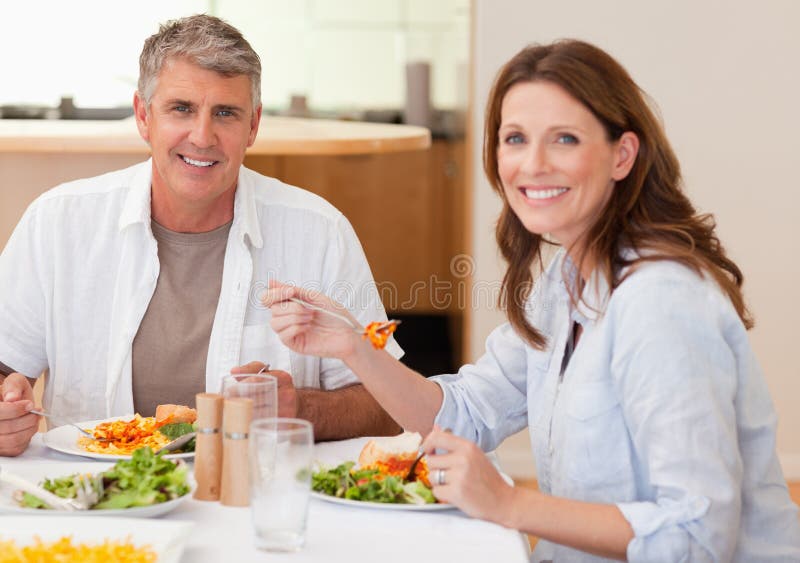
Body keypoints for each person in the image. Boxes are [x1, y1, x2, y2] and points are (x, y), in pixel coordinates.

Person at [264, 40, 800, 561]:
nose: (533, 164)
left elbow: (698, 537)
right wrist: (355, 348)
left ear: (622, 155)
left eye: (564, 139)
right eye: (515, 138)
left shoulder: (661, 305)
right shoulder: (567, 280)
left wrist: (508, 503)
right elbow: (464, 413)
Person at [0, 14, 402, 457]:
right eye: (182, 108)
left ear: (253, 126)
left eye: (225, 113)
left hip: (252, 499)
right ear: (142, 115)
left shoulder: (320, 231)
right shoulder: (57, 224)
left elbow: (388, 407)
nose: (202, 136)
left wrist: (299, 407)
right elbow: (4, 371)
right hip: (97, 507)